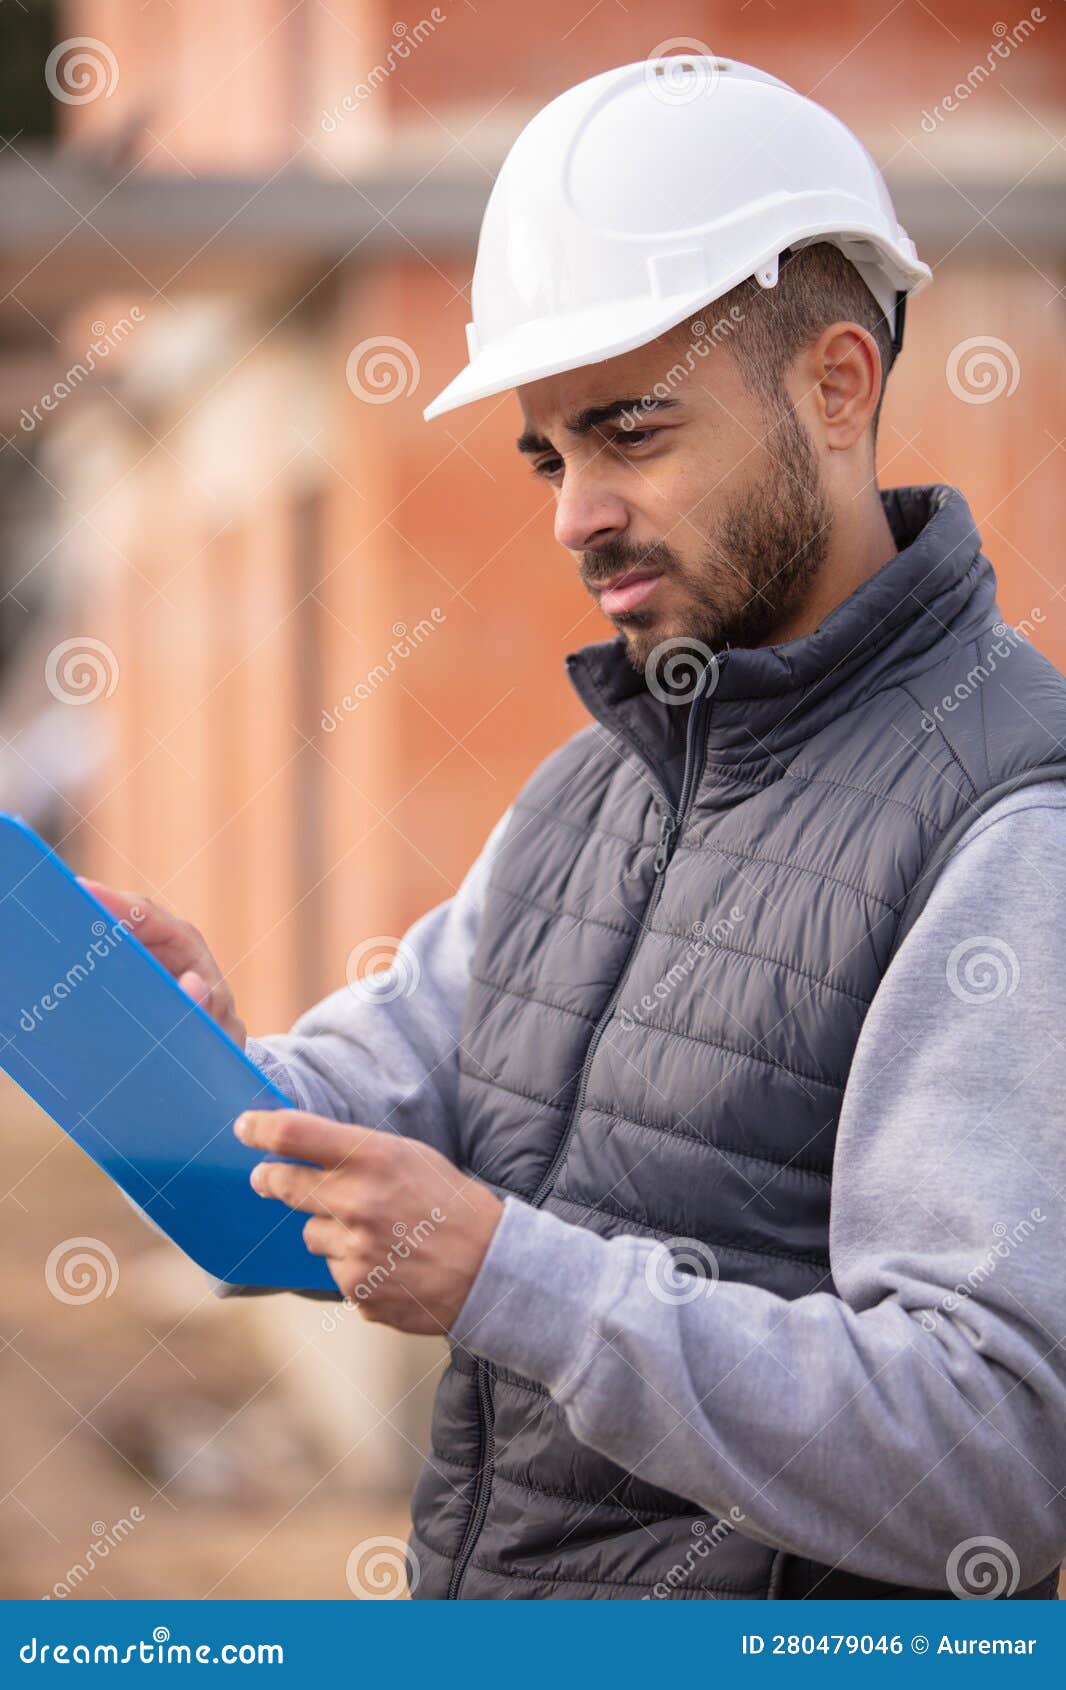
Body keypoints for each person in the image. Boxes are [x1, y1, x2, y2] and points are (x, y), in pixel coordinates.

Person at [90, 58, 1066, 1601]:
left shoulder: (1009, 820)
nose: (571, 512)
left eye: (629, 431)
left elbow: (992, 1458)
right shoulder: (593, 787)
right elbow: (355, 1123)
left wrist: (517, 1278)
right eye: (551, 453)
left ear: (834, 385)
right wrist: (173, 1064)